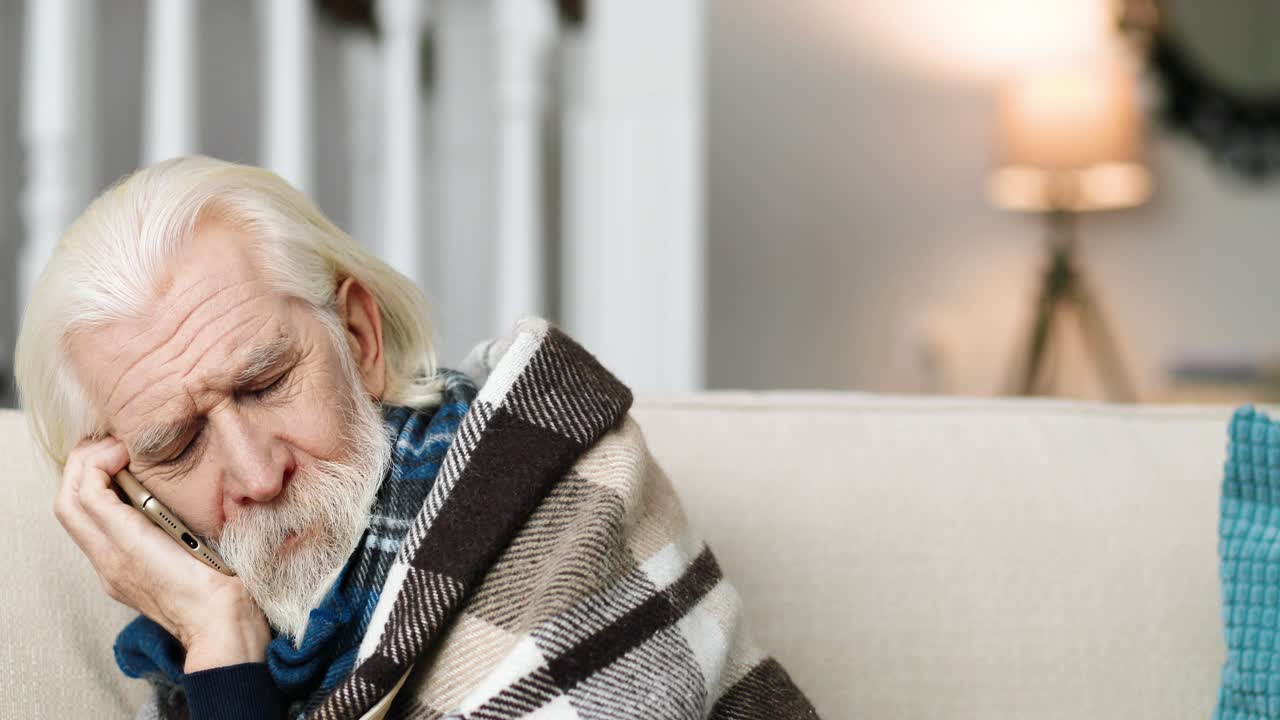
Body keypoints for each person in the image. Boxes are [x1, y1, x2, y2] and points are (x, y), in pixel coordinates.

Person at [14, 156, 819, 720]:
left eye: (266, 384)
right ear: (127, 494)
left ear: (360, 339)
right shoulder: (199, 644)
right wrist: (222, 641)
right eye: (179, 445)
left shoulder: (563, 494)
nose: (257, 476)